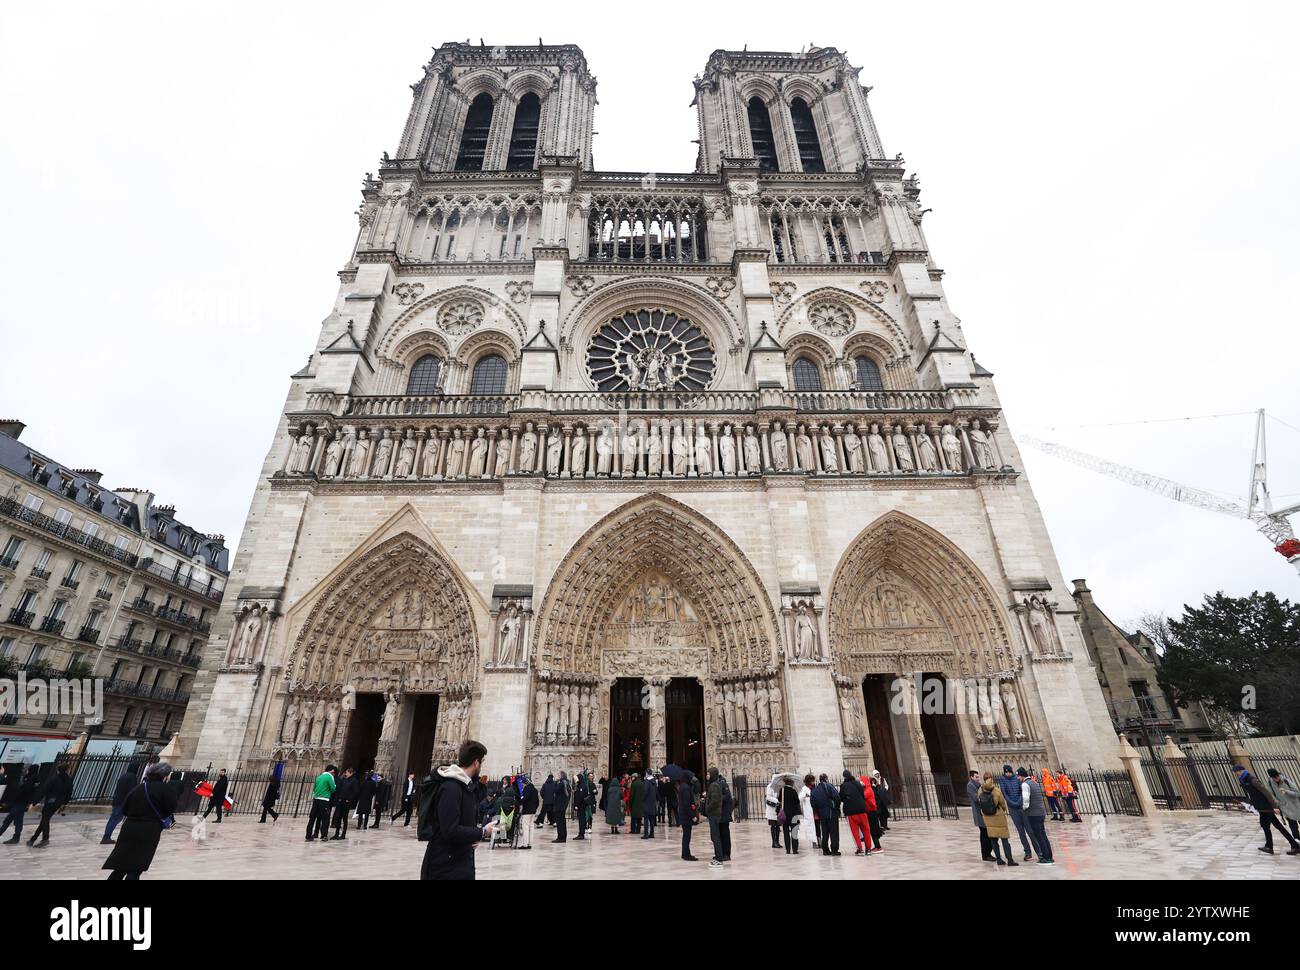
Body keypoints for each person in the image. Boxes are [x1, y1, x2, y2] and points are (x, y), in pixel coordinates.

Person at [420, 740, 496, 880]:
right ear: (476, 763)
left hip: (457, 862)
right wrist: (482, 832)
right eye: (482, 761)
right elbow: (450, 830)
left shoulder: (465, 786)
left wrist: (472, 836)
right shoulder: (451, 788)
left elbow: (463, 822)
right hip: (445, 867)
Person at [102, 761, 178, 881]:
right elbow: (170, 808)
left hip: (130, 827)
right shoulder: (165, 789)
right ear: (164, 776)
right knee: (136, 868)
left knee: (120, 867)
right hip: (149, 829)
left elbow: (125, 808)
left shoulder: (139, 787)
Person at [1234, 764, 1300, 855]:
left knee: (1266, 825)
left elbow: (1266, 792)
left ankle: (1270, 846)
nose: (1235, 773)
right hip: (1260, 805)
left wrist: (1274, 806)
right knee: (1277, 826)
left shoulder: (1252, 779)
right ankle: (1294, 845)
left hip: (1265, 806)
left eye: (1236, 771)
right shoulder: (1244, 779)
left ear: (1240, 770)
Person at [978, 772, 1018, 866]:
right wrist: (1002, 810)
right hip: (998, 816)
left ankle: (999, 860)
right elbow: (1003, 803)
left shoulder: (980, 790)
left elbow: (980, 803)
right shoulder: (996, 790)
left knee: (993, 840)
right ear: (991, 779)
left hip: (987, 817)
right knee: (1004, 839)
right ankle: (1010, 860)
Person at [28, 764, 73, 846]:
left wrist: (34, 802)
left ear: (58, 770)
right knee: (45, 820)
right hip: (59, 803)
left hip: (50, 802)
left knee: (45, 819)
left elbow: (44, 790)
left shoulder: (54, 779)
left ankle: (45, 839)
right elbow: (69, 793)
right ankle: (33, 839)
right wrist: (64, 804)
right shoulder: (69, 780)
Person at [997, 764, 1034, 861]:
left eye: (1009, 772)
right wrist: (1011, 803)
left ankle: (1039, 851)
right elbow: (1004, 793)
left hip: (1021, 806)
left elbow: (1023, 791)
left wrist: (1019, 802)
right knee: (1021, 832)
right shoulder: (1002, 779)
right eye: (1006, 772)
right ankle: (1028, 852)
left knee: (1030, 830)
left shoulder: (1017, 778)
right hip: (1012, 808)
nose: (1008, 774)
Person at [1017, 767, 1054, 864]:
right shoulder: (1034, 782)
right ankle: (1049, 856)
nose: (1017, 778)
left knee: (1039, 836)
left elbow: (1025, 800)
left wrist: (1024, 809)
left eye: (1018, 776)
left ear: (1021, 775)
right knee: (1043, 835)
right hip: (1041, 813)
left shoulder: (1025, 784)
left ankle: (1045, 858)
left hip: (1033, 814)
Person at [0, 765, 38, 844]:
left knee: (16, 820)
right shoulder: (33, 779)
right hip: (21, 802)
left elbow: (25, 790)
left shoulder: (30, 779)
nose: (26, 770)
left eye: (28, 769)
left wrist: (18, 791)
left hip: (20, 802)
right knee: (10, 819)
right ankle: (10, 835)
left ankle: (16, 837)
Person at [102, 765, 139, 844]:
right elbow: (131, 790)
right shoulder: (132, 777)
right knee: (115, 819)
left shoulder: (123, 776)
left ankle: (107, 836)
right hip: (123, 802)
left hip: (117, 800)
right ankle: (106, 837)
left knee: (114, 818)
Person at [840, 770, 873, 855]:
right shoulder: (858, 783)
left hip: (851, 812)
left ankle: (860, 849)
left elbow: (841, 798)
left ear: (844, 777)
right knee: (866, 830)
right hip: (862, 809)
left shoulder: (843, 786)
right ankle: (868, 849)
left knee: (855, 832)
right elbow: (862, 794)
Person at [1266, 768, 1300, 843]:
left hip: (1296, 806)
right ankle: (1297, 841)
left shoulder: (1285, 780)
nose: (1276, 779)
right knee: (1292, 825)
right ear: (1271, 777)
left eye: (1277, 776)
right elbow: (1271, 795)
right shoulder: (1270, 783)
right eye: (1274, 778)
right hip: (1285, 808)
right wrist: (1278, 803)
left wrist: (1287, 791)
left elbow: (1297, 793)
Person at [811, 773, 841, 856]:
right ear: (826, 779)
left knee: (825, 832)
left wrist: (818, 812)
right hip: (831, 812)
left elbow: (813, 803)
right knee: (834, 832)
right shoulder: (829, 786)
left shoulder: (815, 790)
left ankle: (825, 850)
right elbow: (837, 797)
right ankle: (834, 850)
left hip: (822, 814)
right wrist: (836, 807)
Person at [968, 770, 994, 861]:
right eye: (976, 777)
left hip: (984, 812)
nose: (978, 778)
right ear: (971, 777)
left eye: (978, 777)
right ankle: (985, 854)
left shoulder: (979, 785)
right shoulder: (970, 785)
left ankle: (988, 853)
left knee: (987, 834)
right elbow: (976, 798)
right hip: (979, 813)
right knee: (984, 834)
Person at [306, 764, 336, 842]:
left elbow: (315, 788)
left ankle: (308, 836)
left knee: (312, 819)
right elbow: (333, 788)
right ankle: (324, 836)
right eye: (333, 771)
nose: (334, 773)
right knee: (325, 818)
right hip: (324, 800)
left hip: (316, 800)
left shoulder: (319, 777)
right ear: (331, 770)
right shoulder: (329, 776)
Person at [704, 767, 726, 867]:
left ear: (712, 775)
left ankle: (719, 858)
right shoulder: (714, 784)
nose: (707, 776)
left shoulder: (714, 785)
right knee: (715, 836)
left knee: (715, 836)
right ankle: (718, 856)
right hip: (715, 814)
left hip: (713, 814)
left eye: (708, 774)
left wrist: (707, 808)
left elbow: (715, 801)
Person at [859, 772, 883, 852]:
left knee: (873, 830)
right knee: (872, 830)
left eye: (861, 781)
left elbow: (862, 796)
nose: (860, 782)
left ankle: (878, 846)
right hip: (869, 812)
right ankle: (876, 846)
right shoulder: (866, 789)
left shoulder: (868, 790)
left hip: (871, 812)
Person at [331, 767, 358, 839]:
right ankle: (336, 834)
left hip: (346, 802)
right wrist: (339, 798)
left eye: (347, 772)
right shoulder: (344, 780)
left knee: (344, 818)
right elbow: (340, 789)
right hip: (340, 801)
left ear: (351, 773)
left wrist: (349, 799)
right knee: (338, 818)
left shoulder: (354, 781)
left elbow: (355, 792)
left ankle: (343, 834)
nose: (346, 774)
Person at [678, 770, 699, 862]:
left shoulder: (683, 786)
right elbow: (687, 804)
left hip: (683, 814)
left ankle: (684, 853)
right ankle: (687, 854)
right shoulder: (686, 788)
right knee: (687, 836)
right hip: (686, 816)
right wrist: (692, 815)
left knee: (685, 835)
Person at [779, 777, 801, 854]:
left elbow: (779, 801)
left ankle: (788, 850)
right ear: (791, 783)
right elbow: (797, 802)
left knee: (786, 833)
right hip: (794, 815)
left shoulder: (782, 791)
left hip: (785, 815)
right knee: (794, 832)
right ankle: (795, 849)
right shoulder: (793, 791)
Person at [716, 772, 734, 861]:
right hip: (717, 814)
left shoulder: (723, 783)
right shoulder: (713, 784)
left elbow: (727, 797)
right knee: (718, 835)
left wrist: (717, 797)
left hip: (724, 814)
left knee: (725, 835)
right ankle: (720, 853)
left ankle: (727, 854)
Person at [517, 774, 537, 848]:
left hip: (527, 811)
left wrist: (518, 803)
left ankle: (525, 844)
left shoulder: (527, 789)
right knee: (531, 827)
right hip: (533, 811)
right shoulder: (534, 789)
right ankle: (530, 843)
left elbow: (525, 799)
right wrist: (534, 808)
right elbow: (537, 801)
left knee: (525, 827)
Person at [798, 774, 818, 849]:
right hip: (809, 811)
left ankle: (819, 841)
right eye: (813, 781)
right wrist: (805, 796)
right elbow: (800, 798)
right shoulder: (804, 789)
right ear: (809, 781)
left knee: (817, 827)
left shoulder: (815, 788)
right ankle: (814, 842)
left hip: (816, 810)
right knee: (812, 827)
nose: (814, 782)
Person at [551, 771, 571, 842]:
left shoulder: (562, 783)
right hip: (562, 805)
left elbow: (554, 789)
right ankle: (562, 837)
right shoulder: (566, 782)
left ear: (561, 776)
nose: (557, 776)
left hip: (560, 806)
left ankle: (560, 838)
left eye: (558, 775)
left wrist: (555, 782)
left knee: (560, 822)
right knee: (562, 821)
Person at [763, 774, 782, 849]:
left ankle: (777, 841)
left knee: (777, 826)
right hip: (771, 809)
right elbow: (768, 797)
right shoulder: (770, 786)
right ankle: (774, 842)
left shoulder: (778, 787)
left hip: (777, 809)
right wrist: (777, 800)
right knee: (773, 826)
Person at [574, 772, 591, 840]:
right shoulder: (581, 785)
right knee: (581, 819)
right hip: (582, 805)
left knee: (582, 820)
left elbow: (580, 797)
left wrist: (576, 805)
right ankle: (581, 833)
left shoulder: (582, 786)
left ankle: (581, 834)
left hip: (581, 806)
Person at [641, 772, 658, 839]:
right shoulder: (654, 782)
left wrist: (642, 799)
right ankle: (652, 833)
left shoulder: (647, 782)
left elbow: (645, 792)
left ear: (647, 774)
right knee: (651, 820)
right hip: (652, 803)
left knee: (646, 819)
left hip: (647, 803)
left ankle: (646, 834)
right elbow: (656, 792)